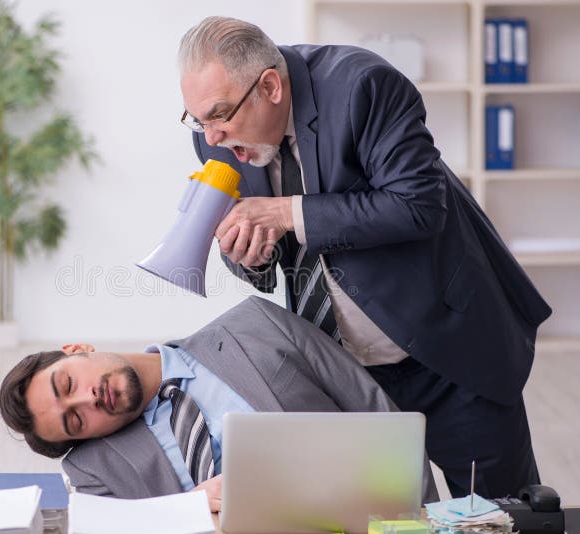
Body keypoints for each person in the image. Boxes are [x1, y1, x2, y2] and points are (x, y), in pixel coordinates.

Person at [177, 16, 551, 498]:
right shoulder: (218, 138)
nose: (210, 137)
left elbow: (417, 205)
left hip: (449, 350)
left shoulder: (362, 85)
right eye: (198, 119)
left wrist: (287, 212)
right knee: (379, 517)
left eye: (219, 115)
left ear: (269, 86)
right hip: (349, 375)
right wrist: (249, 255)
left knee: (501, 515)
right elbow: (254, 235)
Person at [0, 296, 437, 511]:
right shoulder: (95, 471)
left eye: (68, 384)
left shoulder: (255, 325)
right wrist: (187, 513)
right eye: (75, 421)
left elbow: (385, 423)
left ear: (77, 349)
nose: (86, 399)